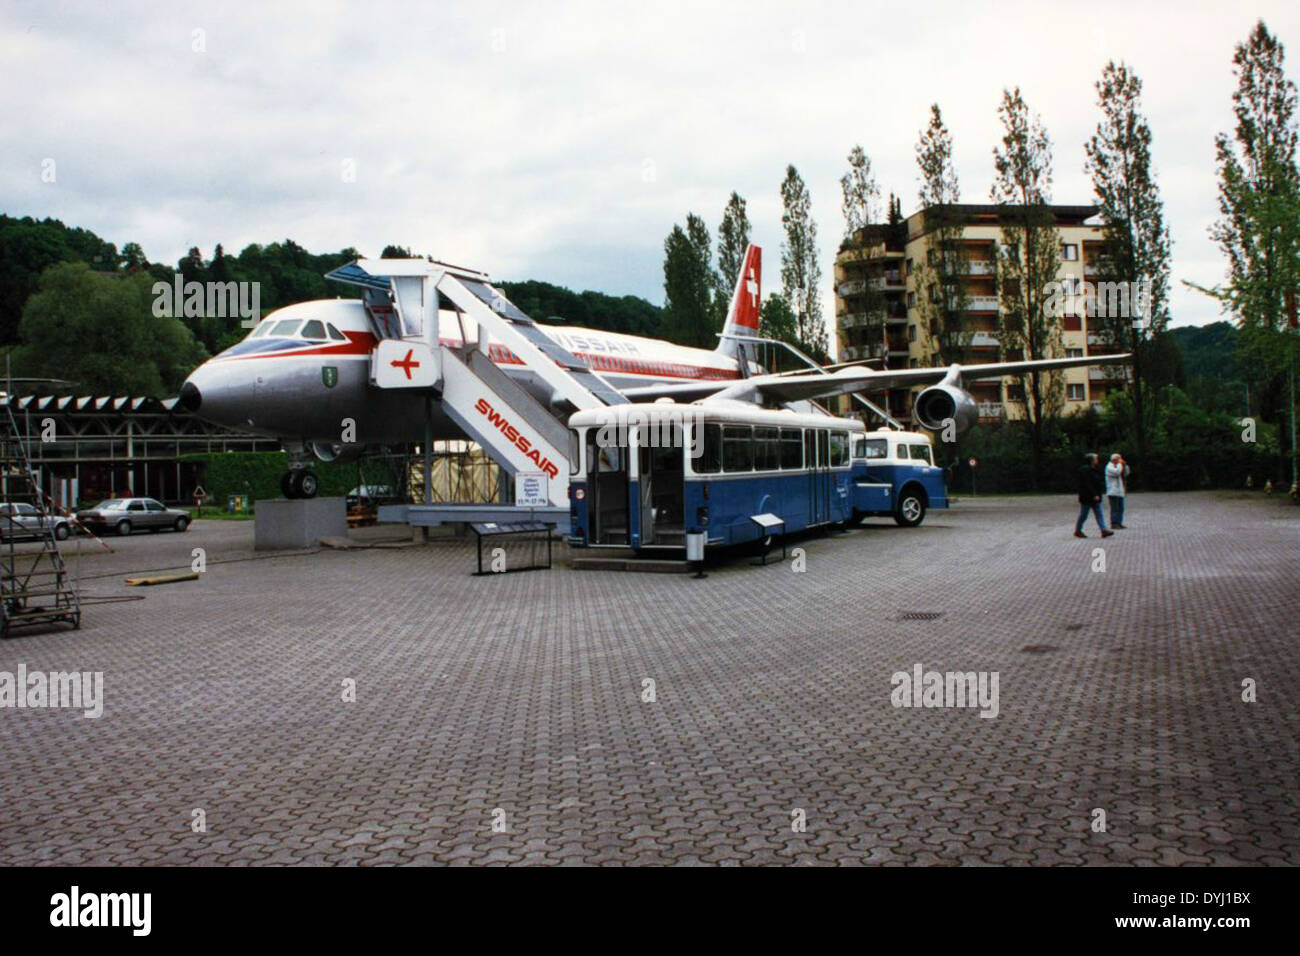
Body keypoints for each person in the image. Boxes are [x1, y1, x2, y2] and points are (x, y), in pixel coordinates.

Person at [1074, 452, 1113, 539]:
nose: (1097, 460)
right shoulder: (1085, 470)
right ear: (1091, 460)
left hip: (1093, 496)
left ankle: (1103, 530)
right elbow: (1088, 484)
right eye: (1096, 459)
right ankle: (1078, 530)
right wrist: (1094, 494)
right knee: (1084, 514)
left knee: (1099, 513)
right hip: (1088, 497)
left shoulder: (1093, 469)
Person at [1105, 452, 1130, 529]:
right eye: (1119, 459)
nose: (1120, 460)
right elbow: (1117, 472)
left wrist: (1125, 465)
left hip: (1120, 491)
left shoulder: (1119, 466)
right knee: (1115, 508)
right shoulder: (1109, 467)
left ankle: (1119, 522)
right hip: (1113, 491)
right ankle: (1114, 523)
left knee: (1121, 508)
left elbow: (1127, 473)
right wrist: (1120, 464)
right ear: (1114, 459)